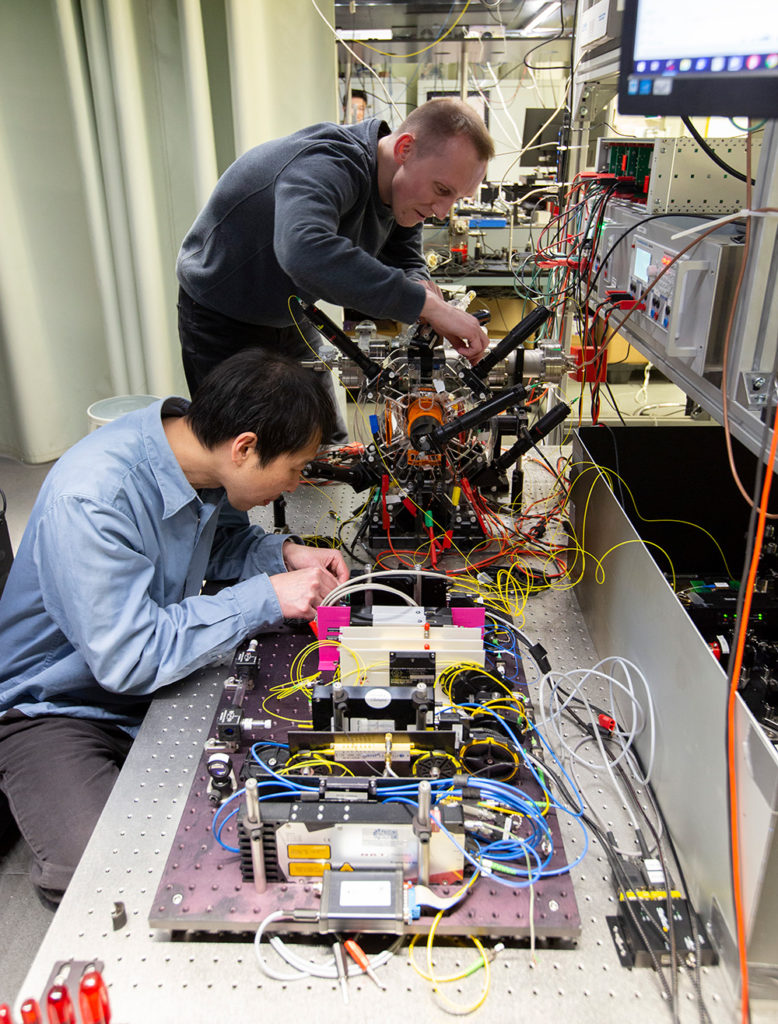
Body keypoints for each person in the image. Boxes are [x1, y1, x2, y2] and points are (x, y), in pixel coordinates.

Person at [0, 350, 349, 904]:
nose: (294, 487)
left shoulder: (195, 450)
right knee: (106, 874)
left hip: (153, 680)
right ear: (246, 448)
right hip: (57, 705)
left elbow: (216, 545)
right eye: (296, 470)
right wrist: (264, 597)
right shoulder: (95, 500)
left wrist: (283, 554)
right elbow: (129, 659)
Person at [176, 97, 495, 397]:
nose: (442, 211)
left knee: (326, 441)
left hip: (291, 313)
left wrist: (422, 290)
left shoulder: (400, 192)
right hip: (221, 315)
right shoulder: (329, 162)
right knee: (244, 448)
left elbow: (405, 257)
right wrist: (428, 306)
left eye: (455, 199)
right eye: (442, 190)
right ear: (405, 149)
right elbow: (305, 251)